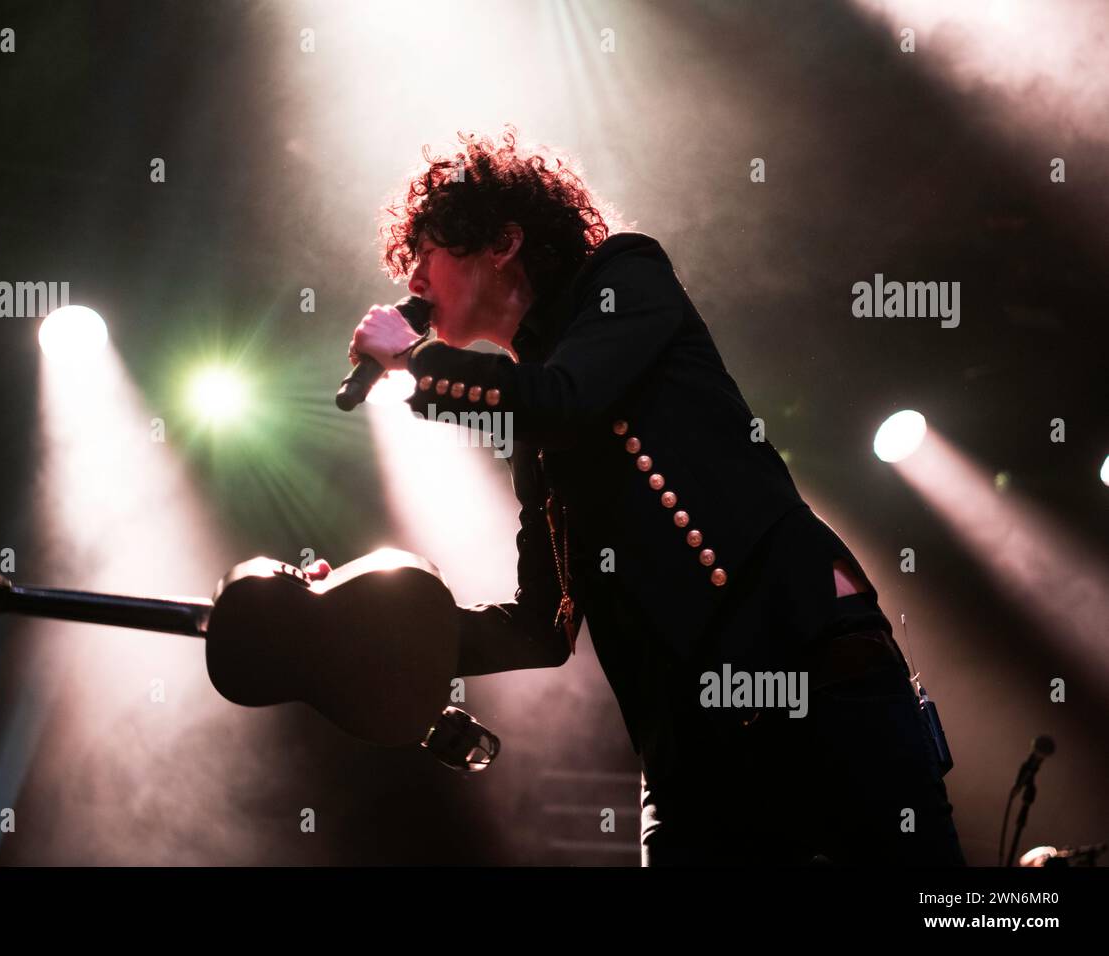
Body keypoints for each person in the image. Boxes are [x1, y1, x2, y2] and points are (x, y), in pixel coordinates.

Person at [344, 126, 966, 866]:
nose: (412, 280)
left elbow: (565, 396)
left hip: (807, 670)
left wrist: (413, 365)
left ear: (503, 241)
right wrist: (375, 627)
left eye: (427, 255)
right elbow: (541, 628)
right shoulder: (534, 436)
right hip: (691, 750)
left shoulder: (625, 277)